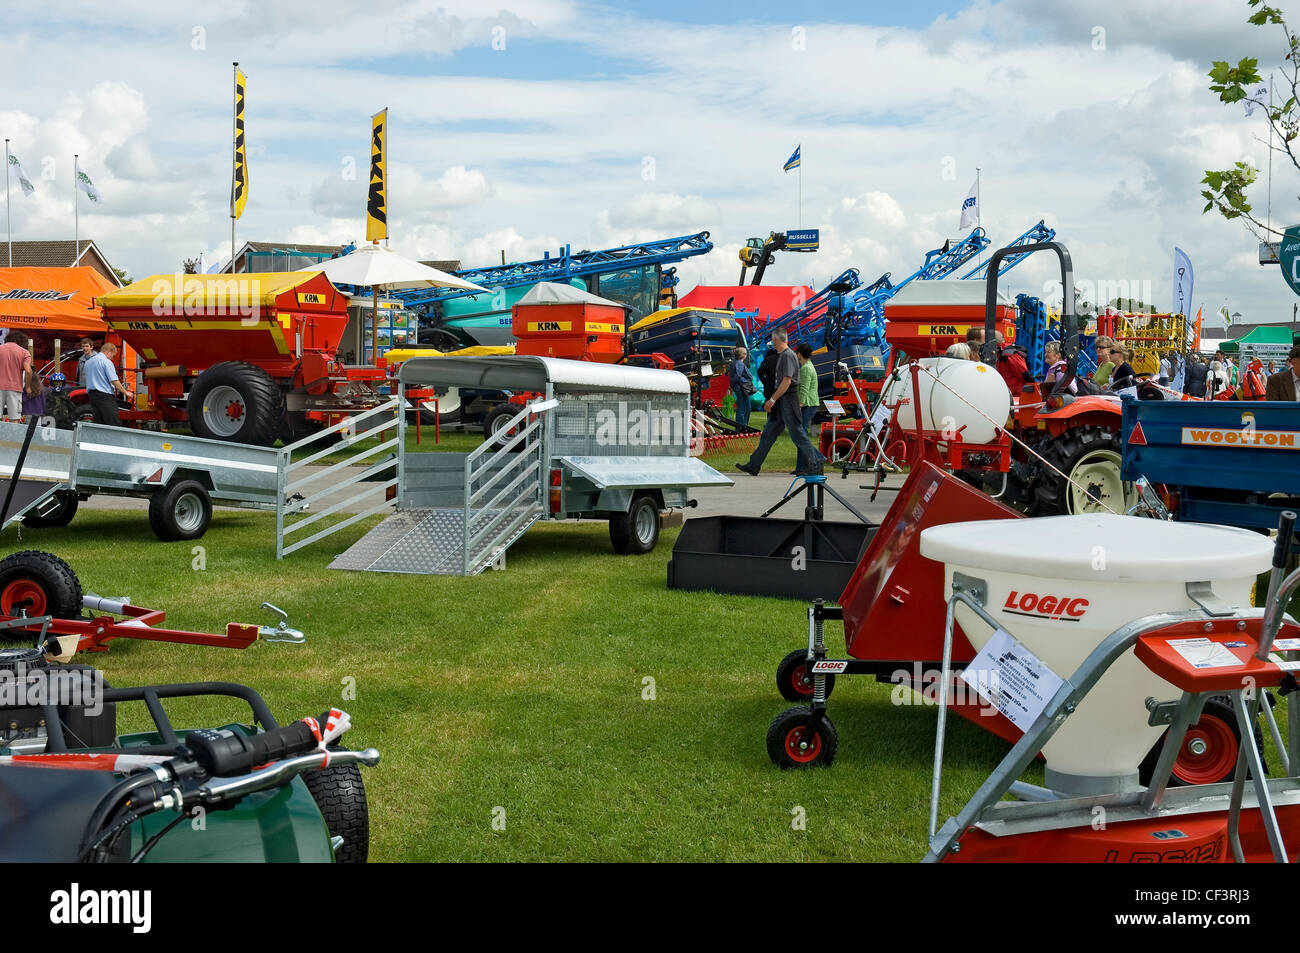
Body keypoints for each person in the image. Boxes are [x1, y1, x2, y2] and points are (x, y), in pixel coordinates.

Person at [736, 329, 825, 477]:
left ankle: (816, 462)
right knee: (768, 433)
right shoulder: (783, 355)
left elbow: (786, 381)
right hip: (782, 401)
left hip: (787, 401)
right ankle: (754, 465)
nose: (771, 342)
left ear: (776, 339)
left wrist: (772, 399)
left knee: (797, 433)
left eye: (772, 339)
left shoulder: (788, 356)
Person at [84, 342, 131, 425]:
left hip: (92, 396)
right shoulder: (106, 362)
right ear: (108, 352)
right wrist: (126, 392)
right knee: (113, 423)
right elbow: (114, 381)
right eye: (113, 356)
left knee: (99, 422)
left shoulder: (88, 362)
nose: (112, 358)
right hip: (105, 396)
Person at [793, 344, 820, 474]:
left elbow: (804, 388)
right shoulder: (809, 366)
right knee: (801, 435)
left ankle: (817, 459)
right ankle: (800, 467)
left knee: (801, 436)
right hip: (811, 403)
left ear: (799, 354)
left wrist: (800, 403)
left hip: (807, 404)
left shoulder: (805, 369)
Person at [0, 331, 33, 420]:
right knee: (15, 418)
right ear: (22, 342)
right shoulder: (24, 352)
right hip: (15, 389)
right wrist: (28, 387)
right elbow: (28, 371)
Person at [993, 331, 1030, 396]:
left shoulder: (1008, 354)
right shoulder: (1001, 353)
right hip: (1009, 392)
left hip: (1015, 393)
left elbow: (1024, 374)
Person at [728, 346, 754, 429]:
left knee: (746, 408)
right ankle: (740, 427)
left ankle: (743, 426)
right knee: (743, 408)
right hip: (742, 388)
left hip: (740, 388)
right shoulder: (739, 364)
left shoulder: (734, 363)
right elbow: (738, 377)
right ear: (744, 355)